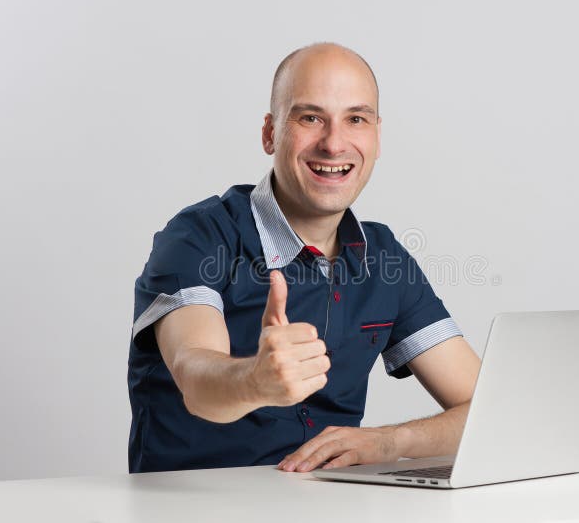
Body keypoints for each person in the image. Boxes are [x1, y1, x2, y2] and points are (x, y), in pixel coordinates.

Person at [128, 42, 482, 474]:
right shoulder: (199, 237)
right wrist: (255, 381)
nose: (334, 144)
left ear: (376, 135)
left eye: (356, 119)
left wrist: (390, 443)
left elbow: (488, 412)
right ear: (269, 133)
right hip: (197, 508)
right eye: (310, 117)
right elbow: (195, 378)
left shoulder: (384, 258)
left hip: (329, 506)